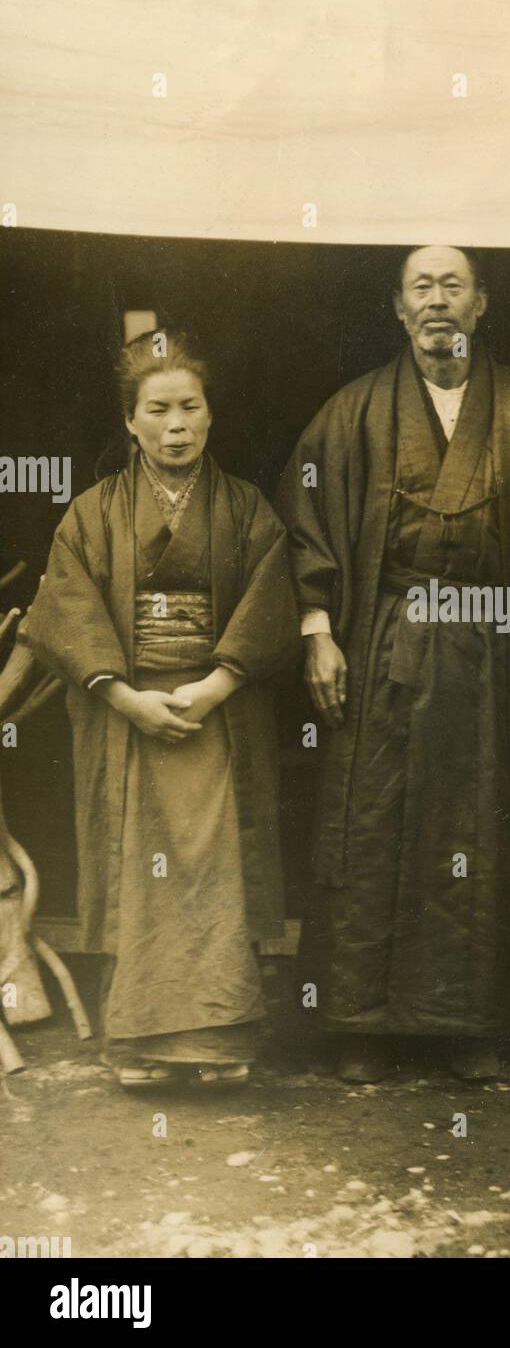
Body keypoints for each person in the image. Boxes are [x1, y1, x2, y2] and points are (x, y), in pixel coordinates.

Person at [276, 245, 510, 1082]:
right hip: (383, 643)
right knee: (370, 823)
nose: (436, 302)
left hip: (491, 652)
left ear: (480, 303)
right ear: (396, 308)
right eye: (420, 287)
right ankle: (360, 1027)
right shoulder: (352, 412)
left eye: (451, 286)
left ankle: (473, 1029)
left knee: (480, 829)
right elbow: (304, 525)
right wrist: (317, 630)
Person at [24, 331, 300, 1089]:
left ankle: (220, 1041)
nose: (177, 424)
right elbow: (64, 611)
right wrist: (121, 694)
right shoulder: (91, 513)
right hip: (128, 712)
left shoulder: (245, 508)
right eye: (159, 410)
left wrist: (215, 684)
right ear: (130, 423)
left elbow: (271, 603)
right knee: (139, 872)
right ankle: (139, 1042)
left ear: (210, 416)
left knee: (217, 871)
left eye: (190, 407)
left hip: (217, 708)